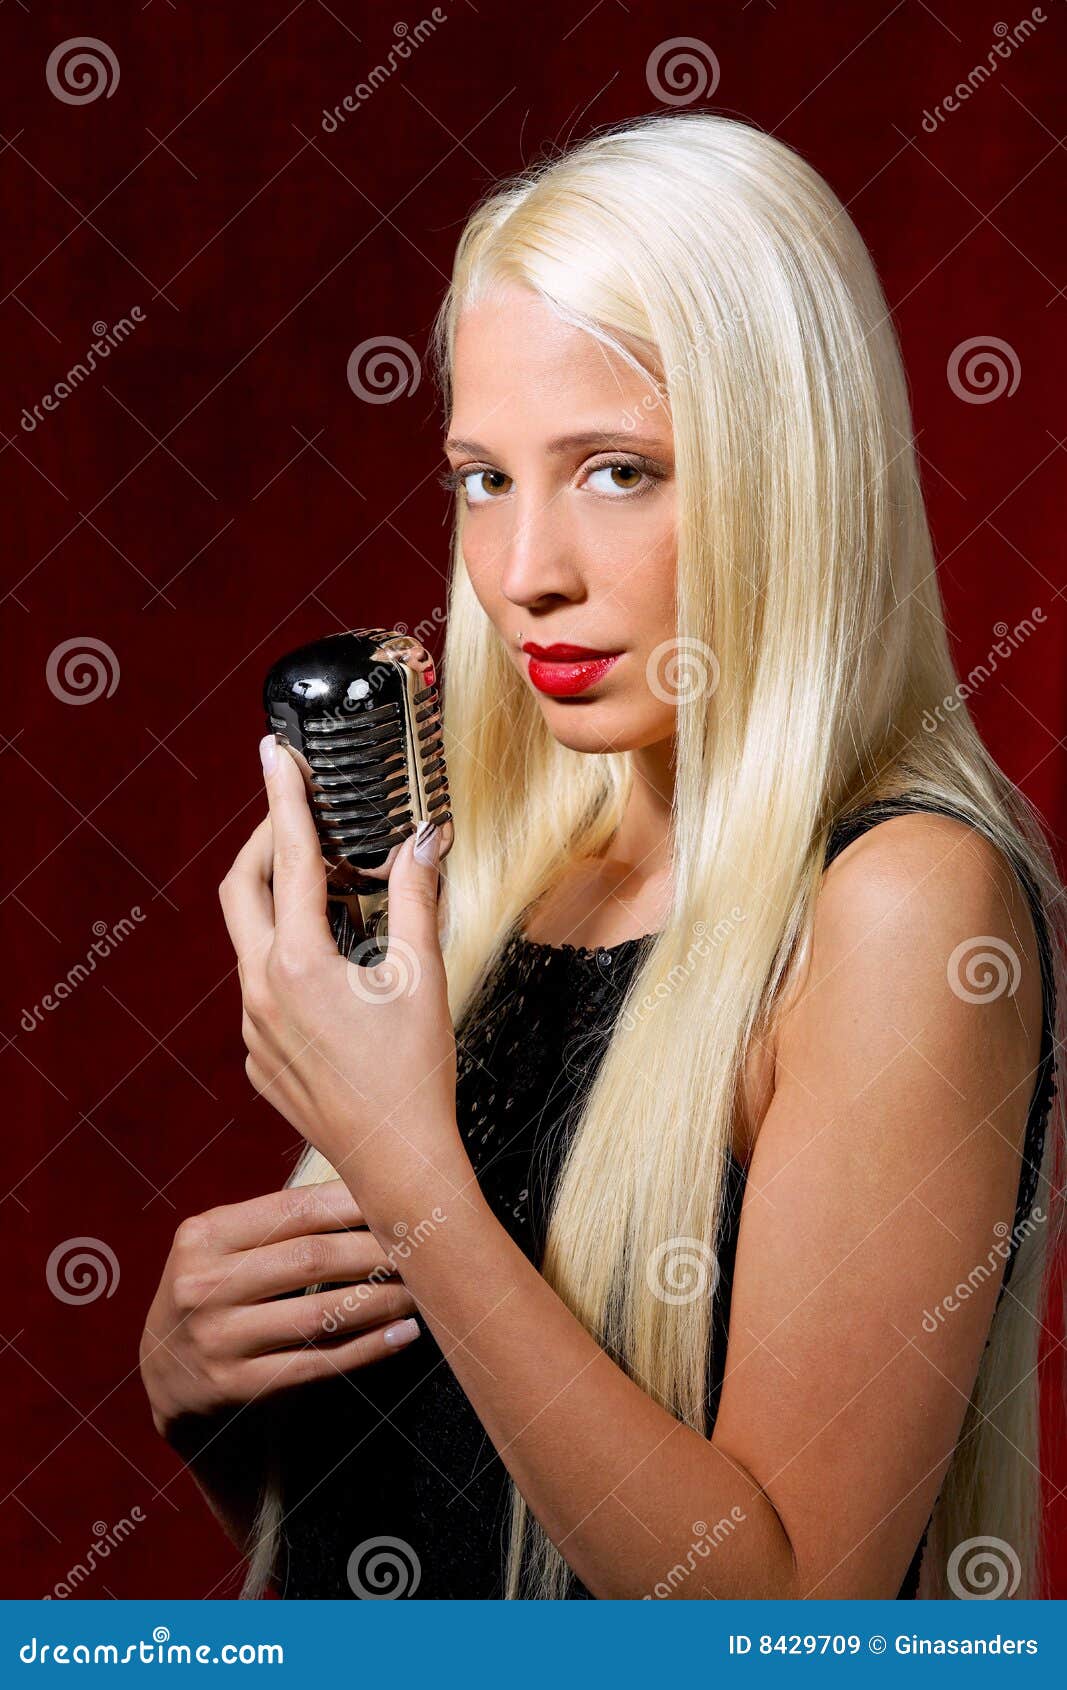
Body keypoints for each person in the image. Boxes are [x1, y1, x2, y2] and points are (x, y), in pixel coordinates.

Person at [139, 110, 1064, 1601]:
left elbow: (780, 1611)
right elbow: (449, 1519)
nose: (522, 575)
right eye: (484, 477)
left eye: (619, 471)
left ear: (793, 470)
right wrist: (213, 1396)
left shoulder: (900, 902)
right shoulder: (501, 873)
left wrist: (401, 1161)